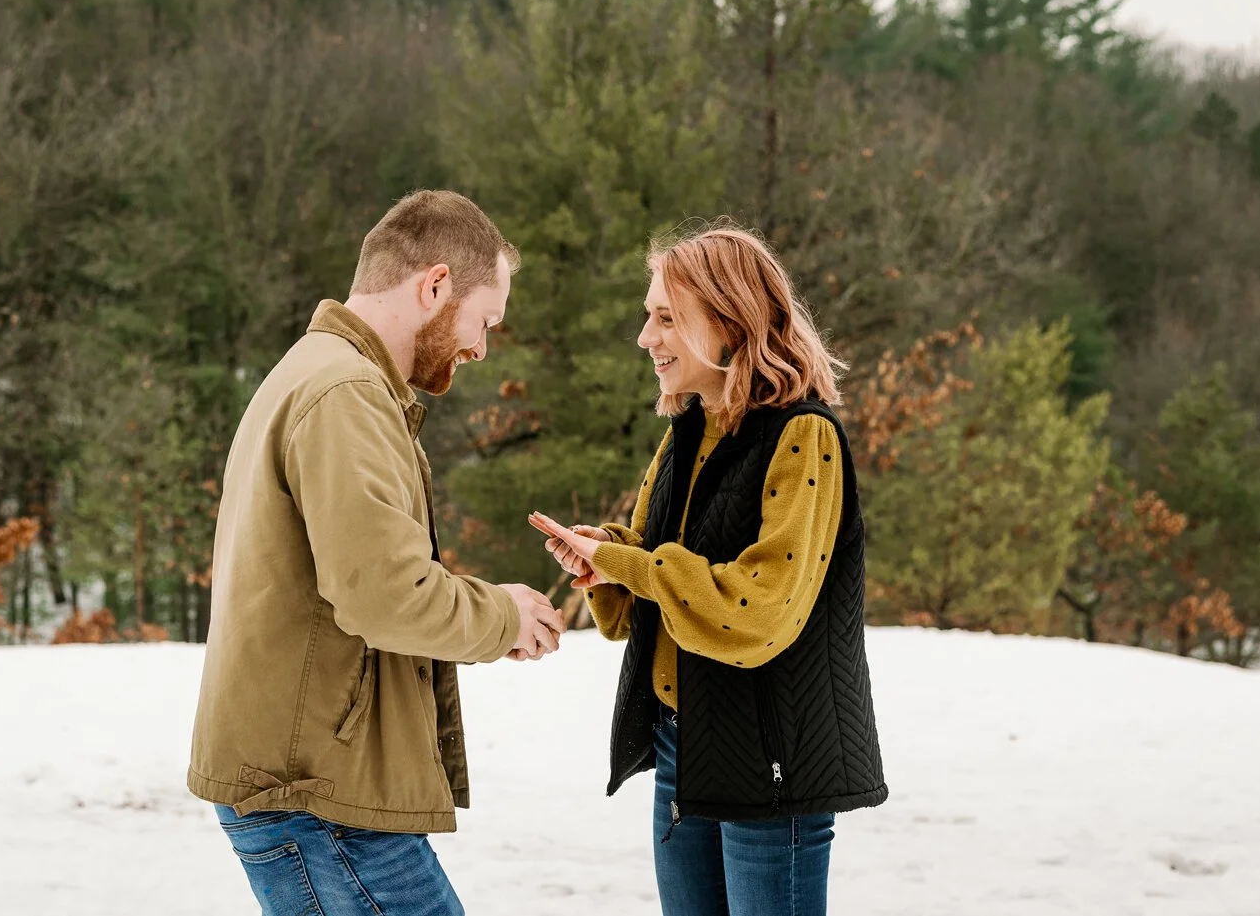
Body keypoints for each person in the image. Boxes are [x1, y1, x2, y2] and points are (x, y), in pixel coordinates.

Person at [189, 190, 567, 916]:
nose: (481, 348)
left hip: (306, 780)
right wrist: (504, 616)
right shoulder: (345, 392)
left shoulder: (318, 371)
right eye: (485, 320)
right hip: (320, 791)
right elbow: (384, 596)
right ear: (435, 285)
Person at [531, 225, 887, 916]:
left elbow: (761, 606)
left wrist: (628, 563)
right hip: (684, 748)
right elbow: (652, 565)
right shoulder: (687, 432)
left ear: (729, 322)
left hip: (771, 768)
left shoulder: (803, 435)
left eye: (667, 317)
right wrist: (605, 556)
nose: (646, 337)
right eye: (649, 315)